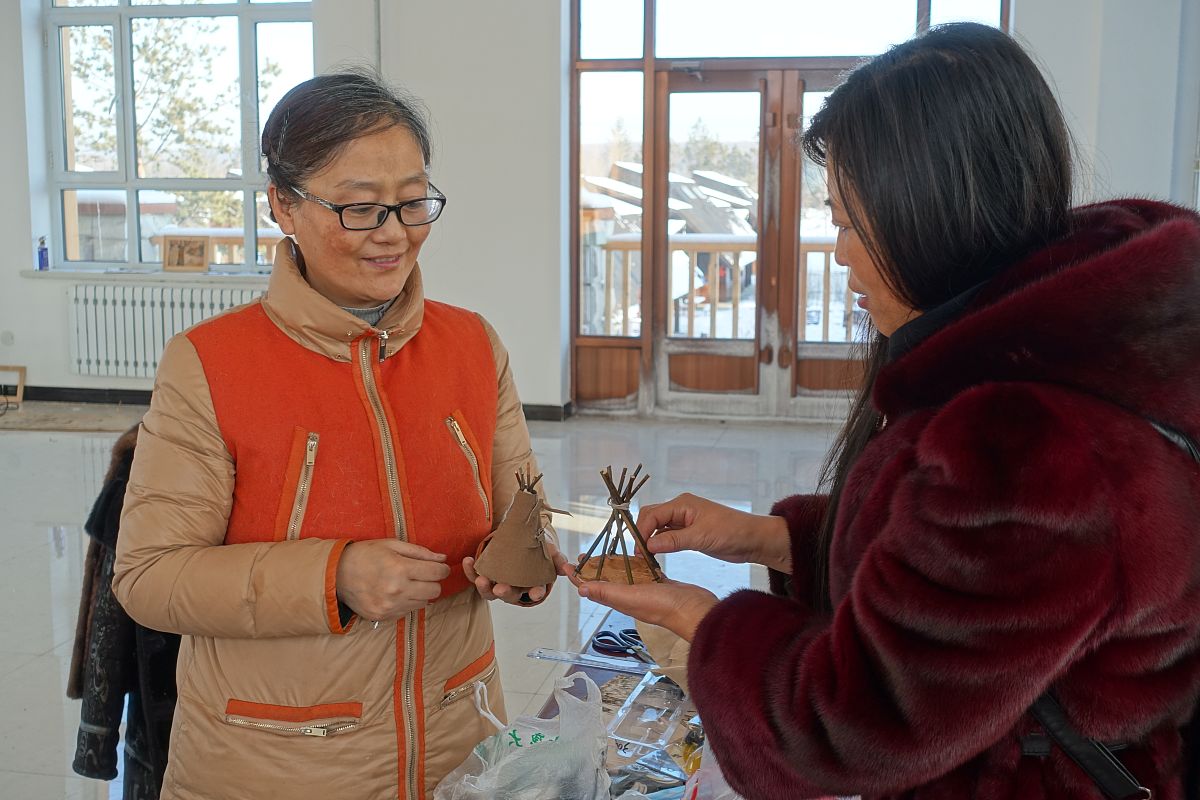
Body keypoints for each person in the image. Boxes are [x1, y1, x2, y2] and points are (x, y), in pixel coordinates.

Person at [572, 23, 1200, 800]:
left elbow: (850, 724)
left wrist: (699, 620)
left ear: (929, 216)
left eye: (845, 221)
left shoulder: (1026, 449)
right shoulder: (1059, 366)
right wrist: (771, 538)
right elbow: (947, 581)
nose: (838, 252)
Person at [113, 71, 561, 800]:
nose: (394, 233)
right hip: (276, 760)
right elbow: (149, 577)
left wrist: (522, 565)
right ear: (282, 205)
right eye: (358, 208)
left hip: (458, 744)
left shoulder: (473, 344)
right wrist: (336, 576)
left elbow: (521, 514)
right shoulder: (211, 362)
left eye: (412, 201)